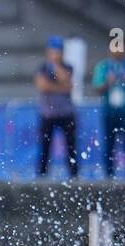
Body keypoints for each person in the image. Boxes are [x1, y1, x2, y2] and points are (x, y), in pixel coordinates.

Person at [92, 46, 125, 177]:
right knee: (109, 144)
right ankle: (109, 174)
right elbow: (97, 88)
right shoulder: (103, 66)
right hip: (109, 112)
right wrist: (108, 83)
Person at [36, 36, 78, 178]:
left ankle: (74, 174)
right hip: (49, 113)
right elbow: (42, 86)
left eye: (58, 51)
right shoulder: (43, 67)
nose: (56, 54)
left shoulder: (67, 66)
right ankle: (42, 175)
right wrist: (60, 87)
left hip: (66, 113)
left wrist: (56, 68)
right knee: (45, 147)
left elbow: (68, 83)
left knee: (71, 147)